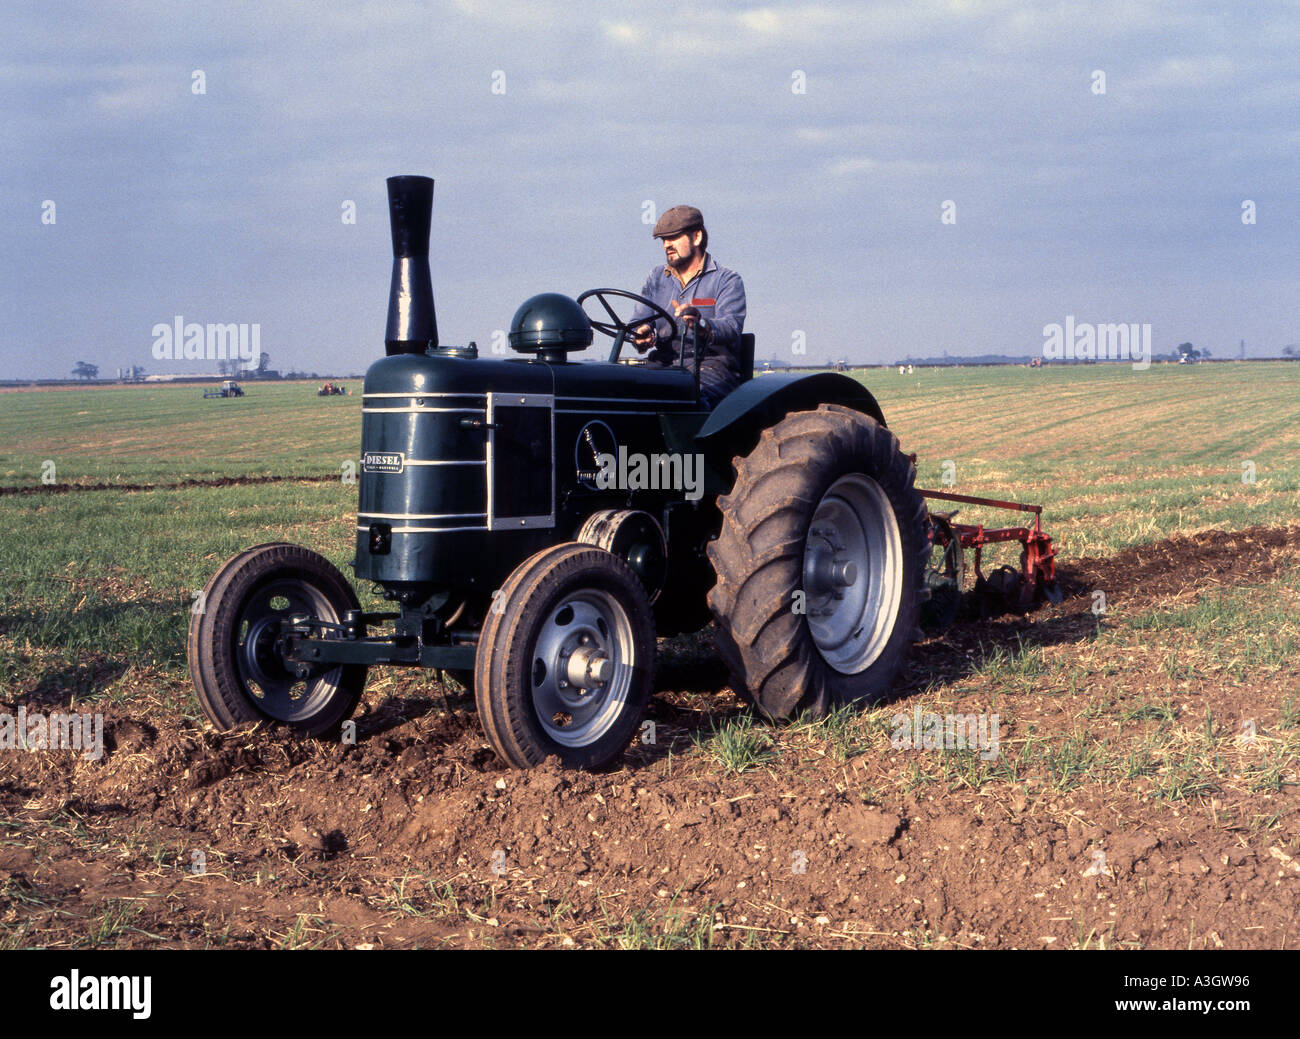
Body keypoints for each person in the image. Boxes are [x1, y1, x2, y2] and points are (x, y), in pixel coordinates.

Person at [629, 205, 746, 409]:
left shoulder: (726, 280)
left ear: (697, 237)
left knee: (683, 393)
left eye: (674, 237)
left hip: (711, 365)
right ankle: (624, 442)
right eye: (664, 240)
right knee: (620, 388)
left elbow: (732, 326)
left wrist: (700, 324)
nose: (667, 245)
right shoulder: (656, 278)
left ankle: (688, 441)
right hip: (663, 363)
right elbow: (636, 323)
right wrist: (640, 334)